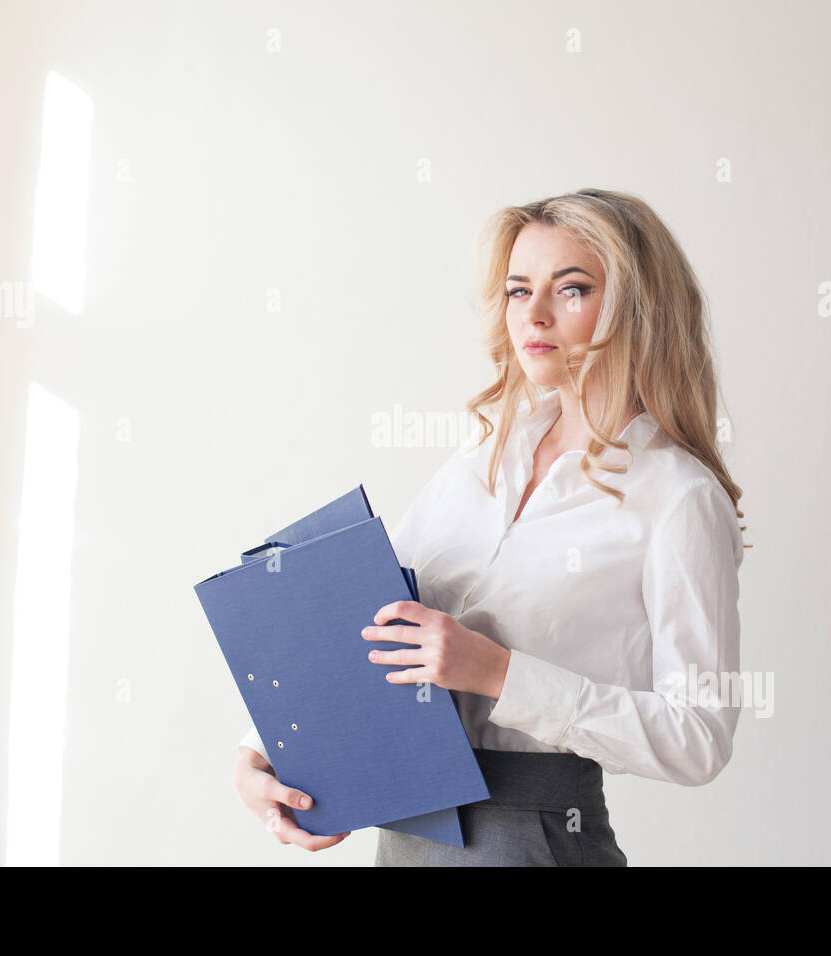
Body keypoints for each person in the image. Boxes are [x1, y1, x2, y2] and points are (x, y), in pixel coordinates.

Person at [233, 187, 750, 865]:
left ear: (637, 309)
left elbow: (700, 736)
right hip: (410, 828)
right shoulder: (482, 459)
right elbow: (369, 621)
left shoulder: (678, 498)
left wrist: (502, 675)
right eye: (517, 290)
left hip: (537, 838)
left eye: (571, 290)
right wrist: (269, 753)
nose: (533, 315)